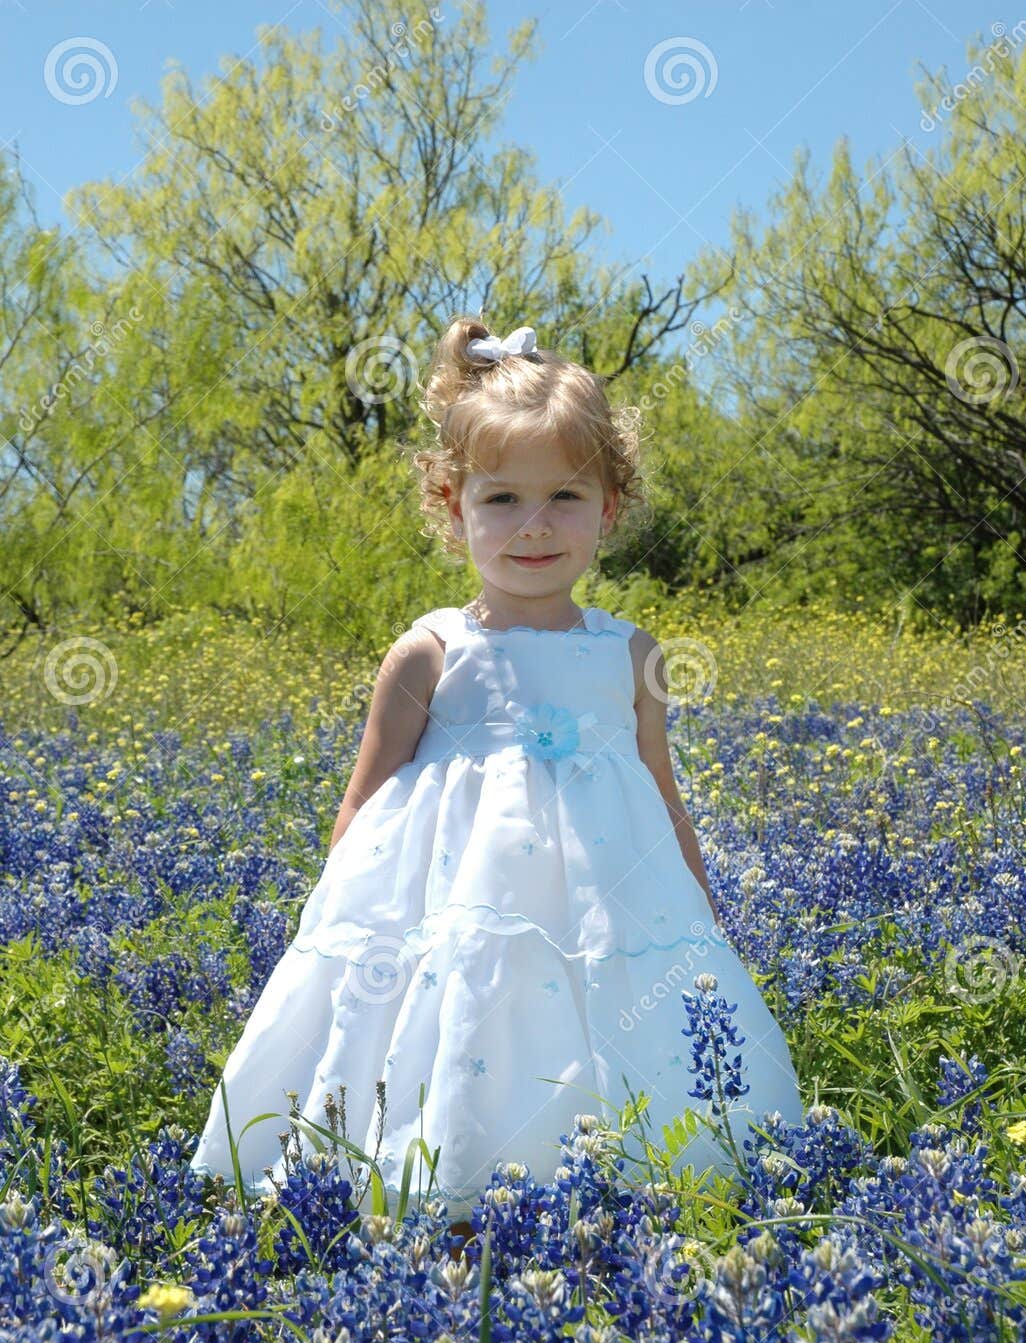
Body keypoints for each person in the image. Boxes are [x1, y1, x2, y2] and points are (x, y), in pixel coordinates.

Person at [190, 316, 802, 1242]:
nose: (536, 526)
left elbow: (663, 795)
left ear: (611, 508)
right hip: (442, 907)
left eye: (565, 495)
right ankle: (442, 1193)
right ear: (451, 506)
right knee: (460, 1029)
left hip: (613, 909)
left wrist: (699, 912)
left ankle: (628, 1199)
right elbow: (364, 796)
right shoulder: (431, 650)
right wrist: (338, 914)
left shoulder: (632, 653)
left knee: (627, 1043)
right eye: (503, 499)